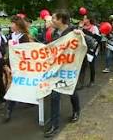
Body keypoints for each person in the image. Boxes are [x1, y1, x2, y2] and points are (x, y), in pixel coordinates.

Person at [44, 10, 81, 138]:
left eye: (53, 18)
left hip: (69, 70)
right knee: (55, 96)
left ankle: (76, 111)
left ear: (60, 20)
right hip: (57, 70)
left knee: (72, 91)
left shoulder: (74, 32)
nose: (51, 20)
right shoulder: (54, 33)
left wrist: (80, 35)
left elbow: (90, 43)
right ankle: (55, 125)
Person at [2, 15, 31, 123]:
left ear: (17, 25)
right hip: (12, 65)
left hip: (22, 66)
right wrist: (6, 64)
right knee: (15, 86)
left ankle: (9, 110)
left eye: (12, 23)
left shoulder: (24, 37)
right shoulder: (12, 35)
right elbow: (10, 51)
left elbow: (26, 53)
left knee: (15, 86)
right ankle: (9, 109)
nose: (11, 25)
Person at [79, 15, 100, 87]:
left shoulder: (94, 28)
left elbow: (97, 40)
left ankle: (92, 81)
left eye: (84, 18)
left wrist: (94, 50)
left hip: (92, 50)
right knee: (82, 66)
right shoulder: (82, 27)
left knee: (91, 66)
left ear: (88, 19)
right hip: (83, 49)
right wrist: (80, 27)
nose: (83, 19)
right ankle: (80, 83)